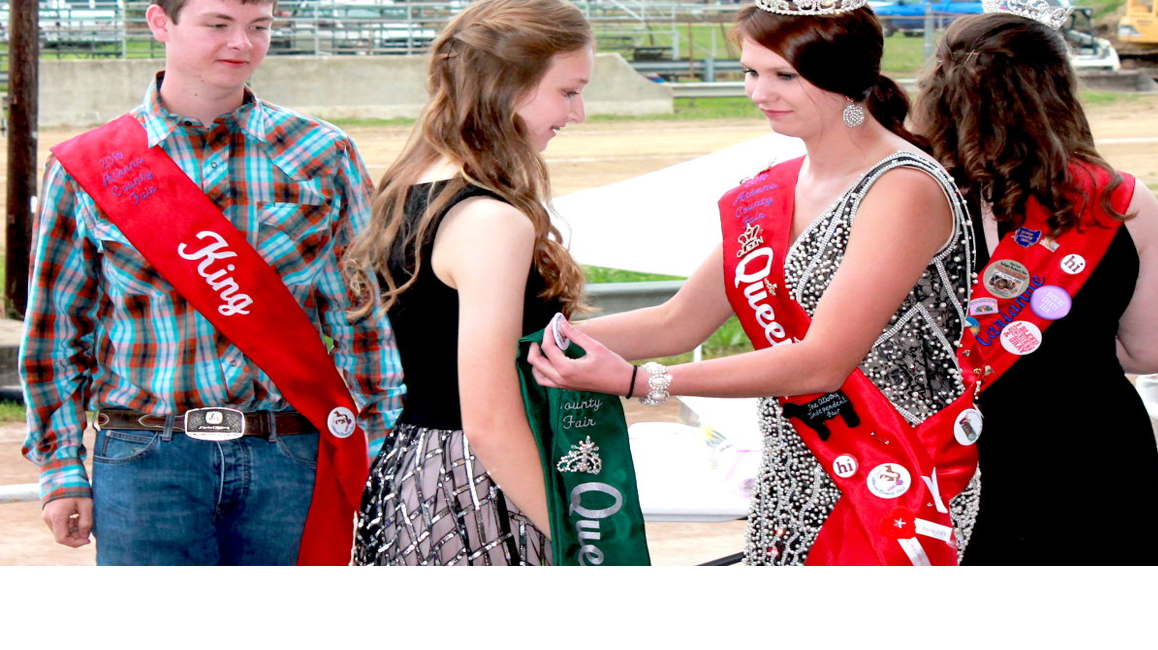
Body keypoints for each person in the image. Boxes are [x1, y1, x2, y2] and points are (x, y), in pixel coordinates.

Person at [527, 0, 983, 566]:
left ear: (845, 76)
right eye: (750, 72)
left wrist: (640, 382)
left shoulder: (903, 187)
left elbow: (821, 362)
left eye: (784, 76)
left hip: (895, 472)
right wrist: (532, 342)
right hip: (793, 470)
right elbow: (678, 321)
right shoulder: (772, 187)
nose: (759, 93)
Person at [20, 0, 404, 565]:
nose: (241, 43)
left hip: (287, 454)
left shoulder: (323, 153)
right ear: (160, 22)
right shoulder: (89, 166)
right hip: (144, 457)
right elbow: (54, 335)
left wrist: (380, 451)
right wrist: (60, 469)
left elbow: (364, 320)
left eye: (259, 26)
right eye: (218, 24)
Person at [914, 9, 1158, 564]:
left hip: (952, 460)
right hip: (1096, 464)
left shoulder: (906, 199)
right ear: (1060, 88)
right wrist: (1066, 345)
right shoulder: (1121, 200)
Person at [348, 0, 593, 566]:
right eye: (568, 91)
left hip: (416, 472)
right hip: (476, 490)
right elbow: (488, 421)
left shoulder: (411, 187)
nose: (578, 112)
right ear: (508, 85)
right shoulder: (490, 220)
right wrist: (579, 543)